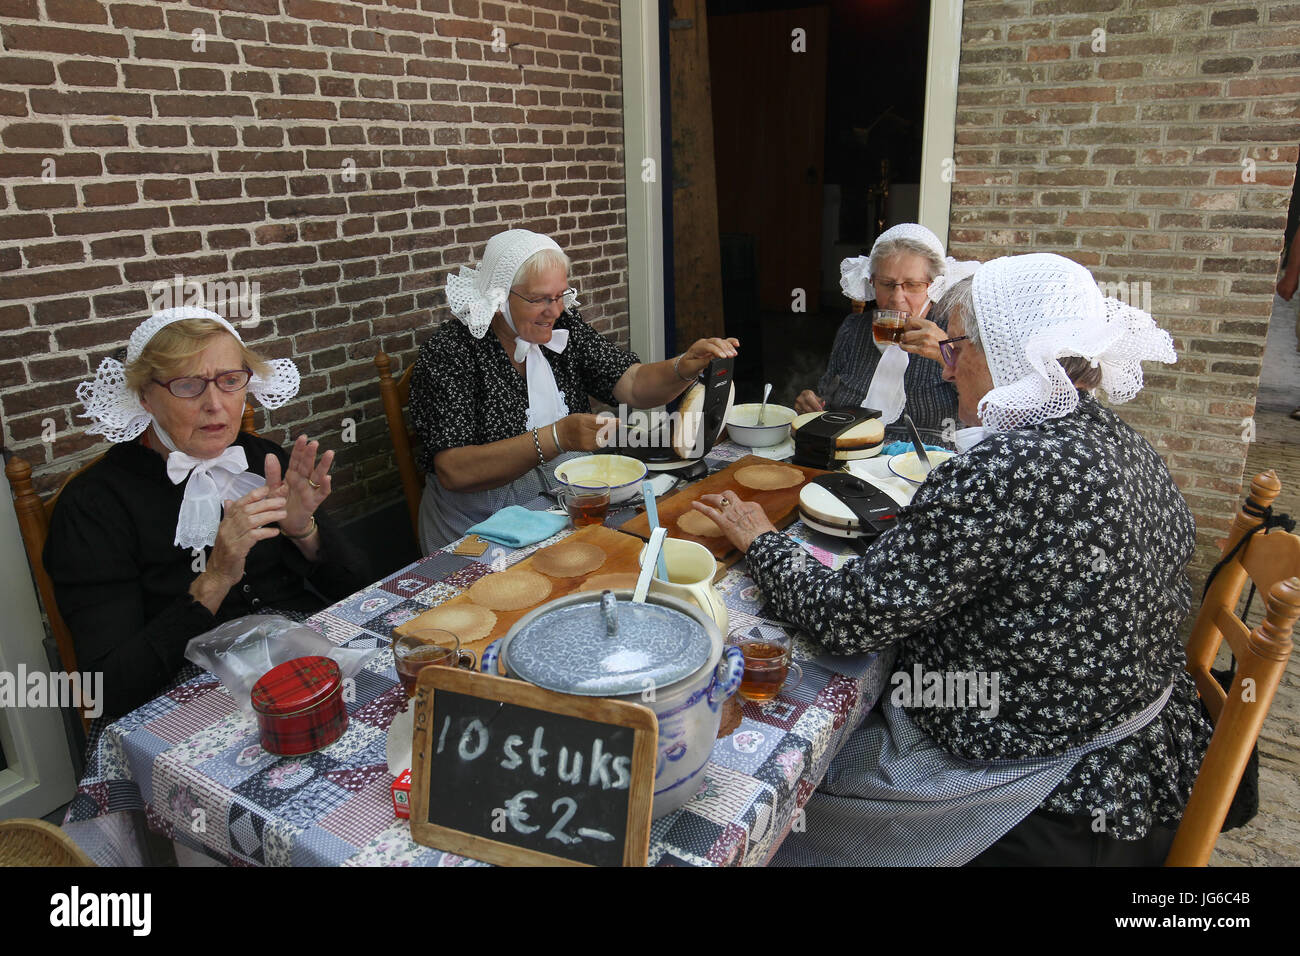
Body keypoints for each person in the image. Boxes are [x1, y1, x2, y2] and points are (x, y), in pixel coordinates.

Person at [694, 254, 1212, 866]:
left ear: (1008, 354)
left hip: (1051, 790)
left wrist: (760, 540)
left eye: (957, 346)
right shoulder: (1115, 436)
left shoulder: (1007, 471)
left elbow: (849, 617)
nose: (946, 366)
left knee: (770, 796)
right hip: (1141, 740)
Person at [45, 307, 371, 722]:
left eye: (230, 381)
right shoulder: (94, 506)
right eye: (188, 385)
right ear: (144, 395)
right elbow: (107, 691)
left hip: (304, 666)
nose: (215, 405)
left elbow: (359, 586)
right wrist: (215, 578)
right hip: (184, 702)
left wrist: (303, 531)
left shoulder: (264, 459)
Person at [410, 228, 740, 553]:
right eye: (539, 299)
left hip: (560, 496)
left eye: (559, 296)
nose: (553, 311)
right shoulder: (450, 352)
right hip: (480, 519)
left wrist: (682, 367)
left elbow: (632, 383)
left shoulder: (564, 325)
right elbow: (454, 470)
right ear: (498, 298)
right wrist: (557, 437)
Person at [795, 223, 976, 440]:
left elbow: (980, 414)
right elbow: (827, 395)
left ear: (933, 285)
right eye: (887, 284)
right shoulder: (853, 329)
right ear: (872, 283)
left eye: (912, 285)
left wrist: (944, 355)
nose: (897, 299)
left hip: (926, 464)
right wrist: (811, 402)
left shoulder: (956, 333)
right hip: (855, 455)